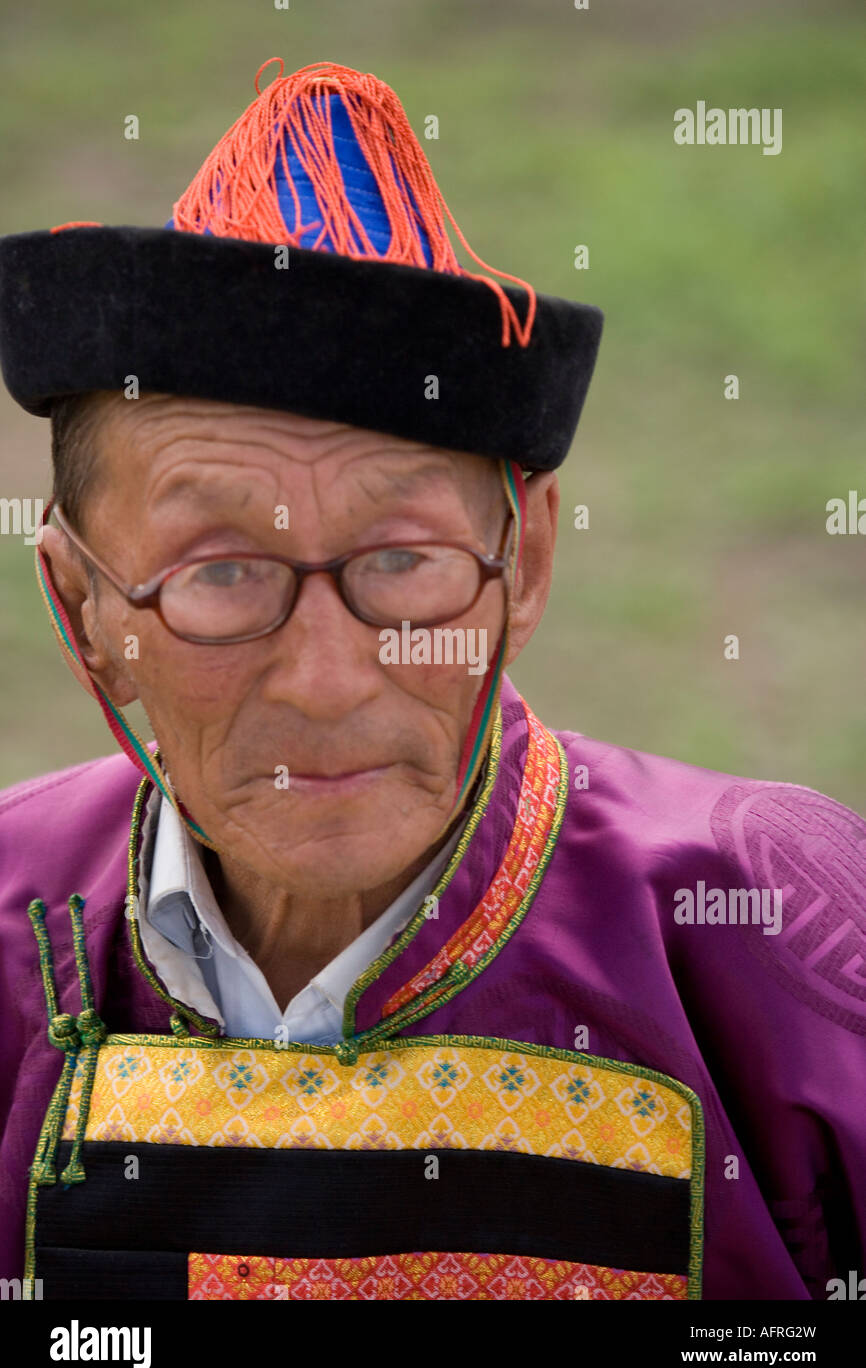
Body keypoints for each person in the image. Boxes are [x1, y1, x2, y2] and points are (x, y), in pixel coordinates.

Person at [0, 58, 862, 1303]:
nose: (328, 679)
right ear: (82, 608)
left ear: (528, 561)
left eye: (405, 562)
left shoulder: (778, 937)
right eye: (222, 571)